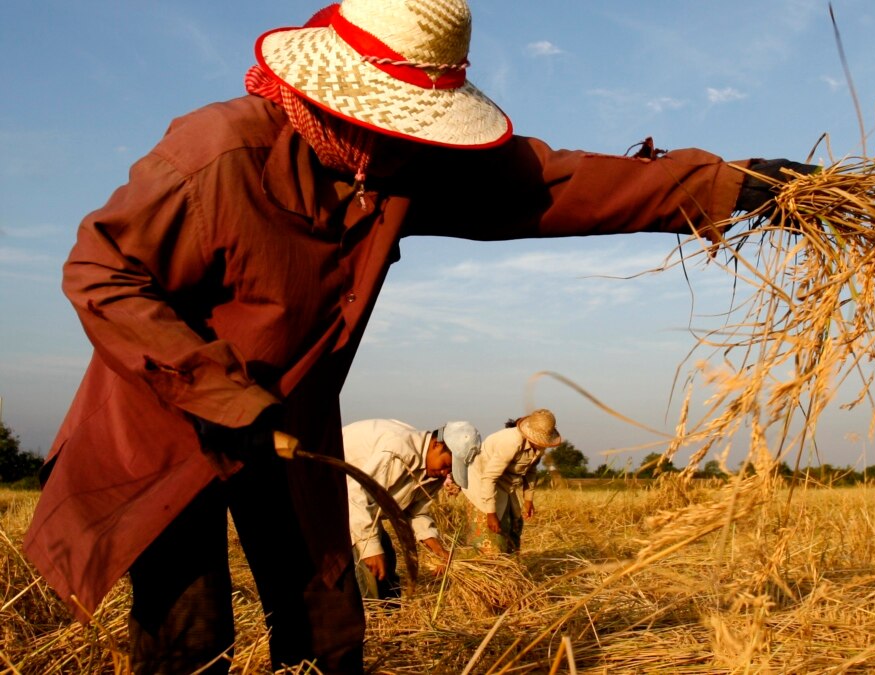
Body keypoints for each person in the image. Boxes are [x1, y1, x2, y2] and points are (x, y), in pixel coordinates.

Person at [21, 0, 813, 672]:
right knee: (190, 633)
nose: (415, 142)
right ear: (337, 101)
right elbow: (103, 272)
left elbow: (556, 182)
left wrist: (728, 185)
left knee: (327, 622)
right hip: (169, 415)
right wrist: (227, 397)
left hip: (293, 421)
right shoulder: (215, 156)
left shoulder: (397, 170)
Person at [342, 419, 480, 599]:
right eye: (447, 464)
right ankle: (372, 618)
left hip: (360, 504)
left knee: (386, 559)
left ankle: (390, 616)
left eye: (452, 470)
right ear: (437, 444)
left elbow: (416, 512)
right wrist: (370, 550)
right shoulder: (398, 452)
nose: (446, 473)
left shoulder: (432, 473)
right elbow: (357, 495)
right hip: (331, 489)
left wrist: (437, 549)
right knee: (367, 563)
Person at [461, 410, 561, 554]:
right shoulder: (511, 443)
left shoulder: (539, 446)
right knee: (489, 541)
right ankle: (454, 561)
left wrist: (528, 499)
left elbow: (531, 471)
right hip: (481, 482)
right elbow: (489, 478)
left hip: (505, 484)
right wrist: (490, 513)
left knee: (515, 526)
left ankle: (509, 563)